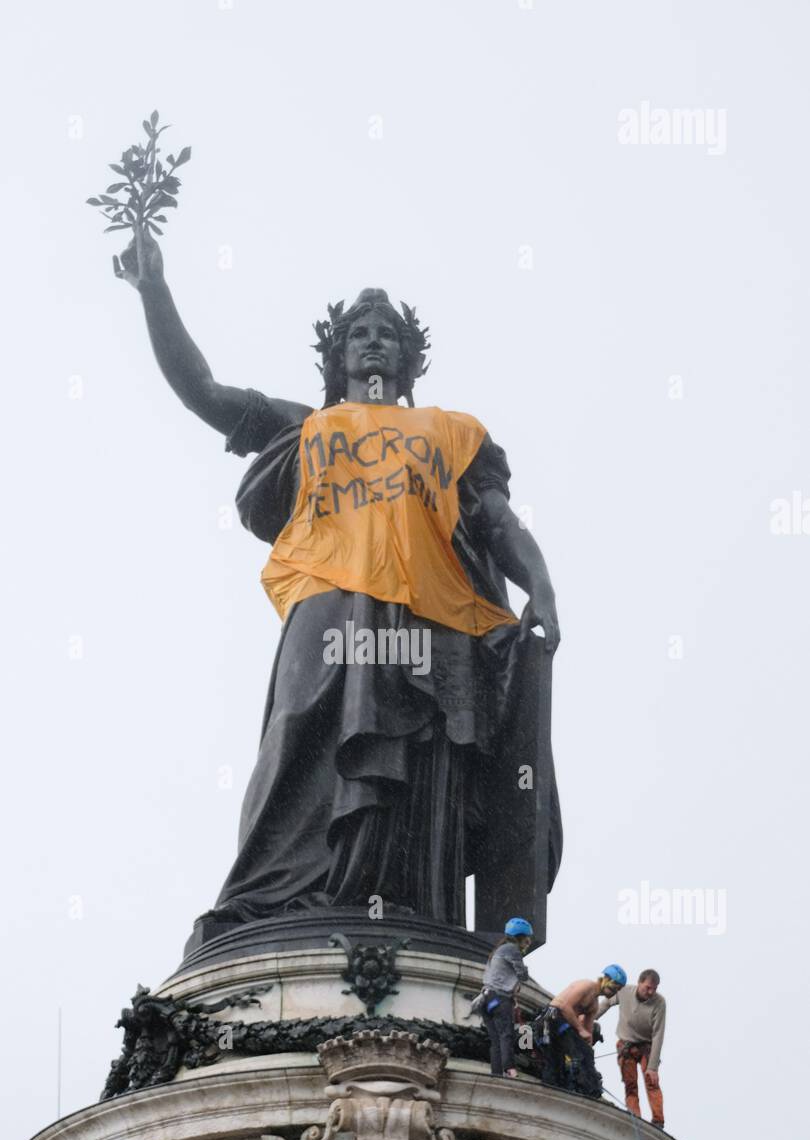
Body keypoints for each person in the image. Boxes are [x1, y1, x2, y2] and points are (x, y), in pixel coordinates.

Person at [112, 229, 562, 932]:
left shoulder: (452, 432)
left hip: (433, 615)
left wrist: (543, 586)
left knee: (418, 761)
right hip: (327, 600)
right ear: (338, 354)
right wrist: (154, 290)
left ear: (410, 360)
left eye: (387, 334)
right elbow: (202, 392)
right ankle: (267, 902)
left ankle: (405, 906)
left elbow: (499, 521)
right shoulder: (308, 423)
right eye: (359, 332)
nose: (374, 342)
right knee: (298, 730)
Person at [532, 965, 627, 1097]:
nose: (613, 991)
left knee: (564, 1061)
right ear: (605, 979)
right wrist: (580, 1030)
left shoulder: (594, 1005)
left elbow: (587, 1033)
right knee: (572, 1056)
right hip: (551, 1018)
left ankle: (561, 1088)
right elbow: (564, 1006)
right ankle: (578, 1084)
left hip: (560, 1025)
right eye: (613, 987)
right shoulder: (586, 986)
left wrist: (589, 1052)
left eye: (617, 990)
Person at [597, 968, 666, 1127]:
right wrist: (587, 1020)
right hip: (626, 1046)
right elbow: (606, 1003)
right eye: (647, 987)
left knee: (651, 1082)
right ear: (639, 983)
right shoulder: (625, 992)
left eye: (654, 989)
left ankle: (658, 1121)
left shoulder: (659, 1003)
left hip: (646, 1048)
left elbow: (658, 1034)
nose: (650, 992)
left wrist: (653, 1067)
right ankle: (635, 1119)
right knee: (630, 1085)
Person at [479, 918, 534, 1078]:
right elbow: (523, 976)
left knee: (496, 1040)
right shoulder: (512, 949)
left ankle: (496, 1073)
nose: (528, 942)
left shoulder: (498, 950)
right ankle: (510, 1069)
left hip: (486, 999)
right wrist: (524, 969)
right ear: (520, 937)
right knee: (506, 1035)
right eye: (527, 939)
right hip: (500, 999)